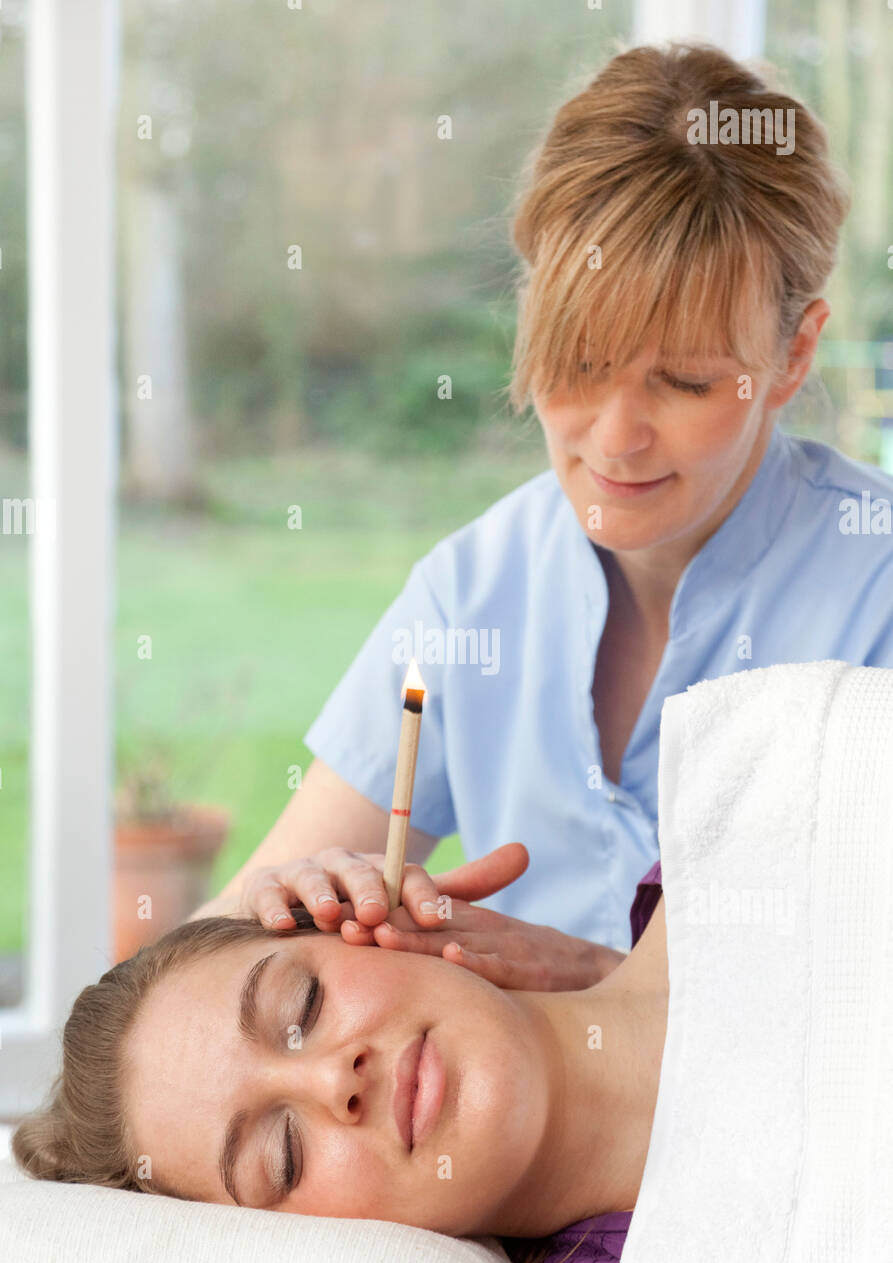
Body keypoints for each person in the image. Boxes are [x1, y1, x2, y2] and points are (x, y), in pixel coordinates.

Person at [195, 41, 893, 988]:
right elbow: (198, 962)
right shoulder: (471, 595)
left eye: (683, 381)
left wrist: (609, 993)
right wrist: (288, 906)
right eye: (577, 361)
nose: (613, 440)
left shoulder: (871, 591)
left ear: (794, 357)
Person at [12, 856, 668, 1263]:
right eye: (285, 1156)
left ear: (360, 922)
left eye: (303, 1007)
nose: (334, 1083)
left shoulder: (737, 806)